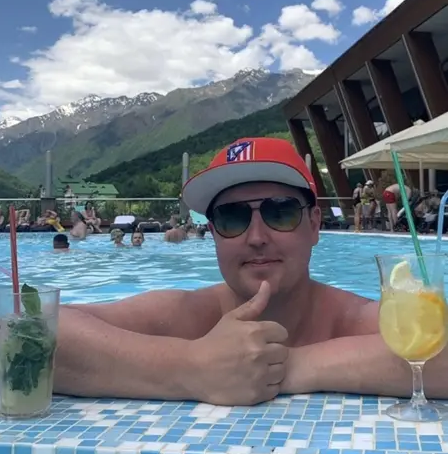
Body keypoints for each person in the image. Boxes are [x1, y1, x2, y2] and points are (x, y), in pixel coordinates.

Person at [54, 137, 448, 405]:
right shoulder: (187, 316)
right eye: (232, 218)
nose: (257, 237)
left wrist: (284, 366)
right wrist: (190, 367)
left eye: (280, 212)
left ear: (314, 225)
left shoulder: (351, 319)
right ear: (213, 234)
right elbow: (32, 327)